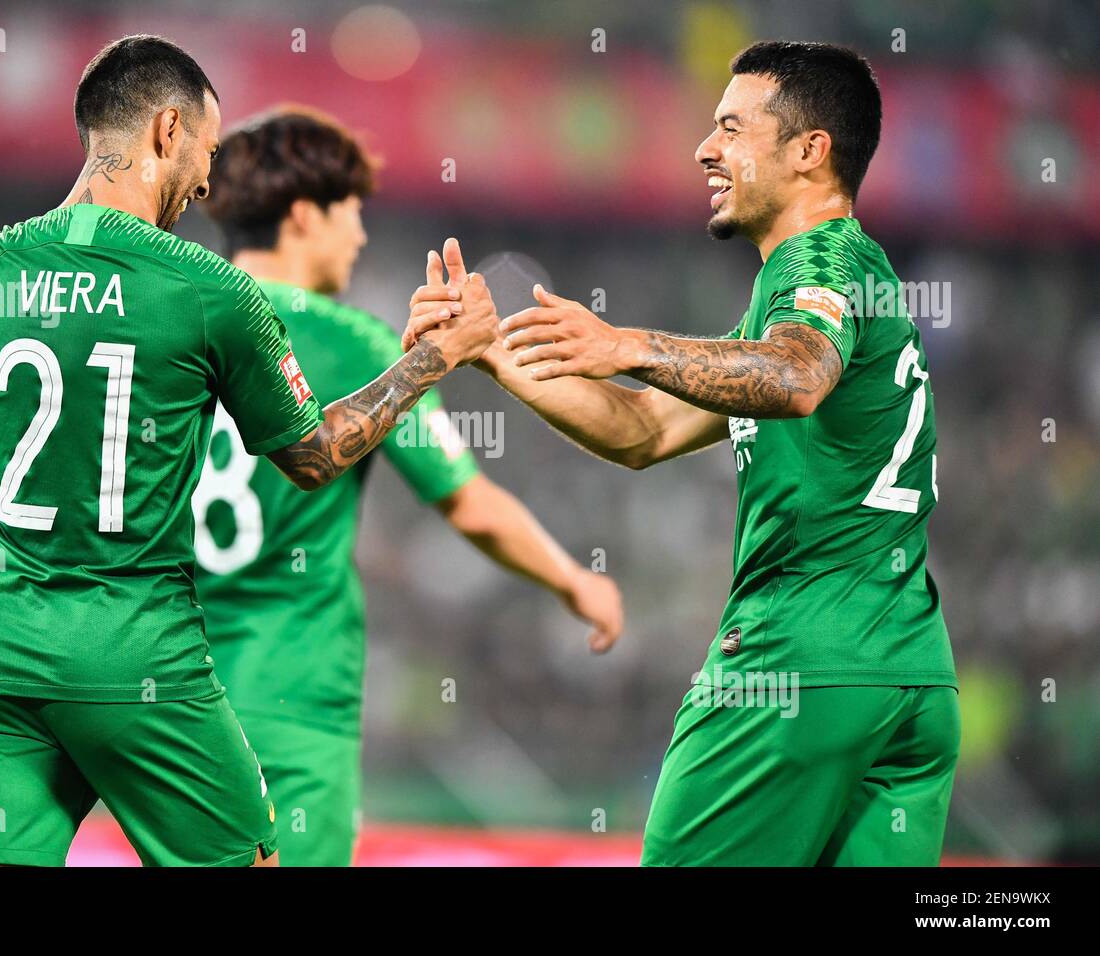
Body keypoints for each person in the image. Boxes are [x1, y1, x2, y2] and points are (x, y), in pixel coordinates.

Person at [0, 35, 495, 867]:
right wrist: (427, 362)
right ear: (168, 130)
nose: (207, 181)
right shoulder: (208, 291)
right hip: (142, 670)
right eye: (205, 149)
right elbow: (312, 459)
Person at [406, 41, 959, 866]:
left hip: (798, 660)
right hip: (911, 675)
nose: (706, 148)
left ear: (811, 151)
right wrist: (492, 353)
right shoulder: (830, 286)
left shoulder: (821, 261)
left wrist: (626, 341)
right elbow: (646, 431)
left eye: (732, 128)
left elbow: (797, 377)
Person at [193, 106, 624, 865]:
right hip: (293, 695)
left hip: (166, 695)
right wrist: (572, 580)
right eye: (351, 212)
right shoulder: (354, 341)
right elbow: (469, 504)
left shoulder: (174, 326)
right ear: (303, 216)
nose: (360, 235)